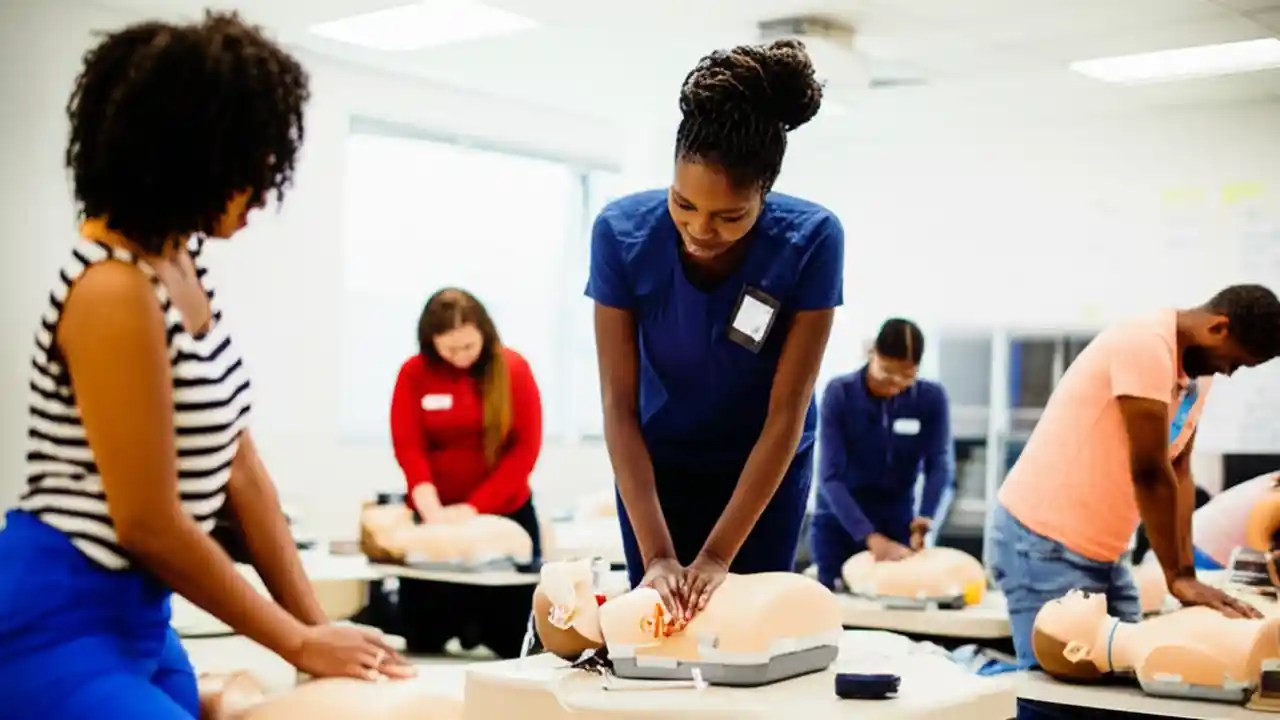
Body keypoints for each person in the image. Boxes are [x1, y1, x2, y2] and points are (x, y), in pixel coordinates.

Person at [0, 12, 411, 718]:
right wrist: (298, 645)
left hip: (144, 625)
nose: (264, 190)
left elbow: (241, 470)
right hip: (60, 621)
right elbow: (150, 525)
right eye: (252, 168)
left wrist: (317, 631)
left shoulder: (181, 265)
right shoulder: (111, 287)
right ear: (191, 157)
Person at [587, 38, 842, 626]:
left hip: (763, 473)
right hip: (657, 464)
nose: (699, 229)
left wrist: (718, 555)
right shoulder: (621, 234)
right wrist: (657, 554)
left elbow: (787, 415)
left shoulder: (812, 241)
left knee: (746, 631)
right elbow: (618, 407)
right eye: (683, 204)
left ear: (764, 194)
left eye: (730, 216)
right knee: (658, 627)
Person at [992, 285, 1280, 677]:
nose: (1230, 372)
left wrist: (1185, 576)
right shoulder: (1145, 344)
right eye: (1237, 362)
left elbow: (1178, 469)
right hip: (1043, 542)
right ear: (1218, 328)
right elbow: (1149, 471)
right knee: (1058, 690)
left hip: (1105, 552)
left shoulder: (1195, 373)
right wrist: (1178, 578)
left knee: (1130, 677)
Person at [389, 288, 543, 658]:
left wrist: (474, 509)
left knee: (511, 642)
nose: (459, 357)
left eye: (468, 347)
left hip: (503, 515)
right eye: (449, 349)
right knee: (423, 640)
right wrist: (432, 511)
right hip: (436, 518)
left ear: (485, 335)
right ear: (431, 343)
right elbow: (409, 446)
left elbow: (525, 450)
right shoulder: (415, 374)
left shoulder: (513, 369)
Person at [810, 318, 955, 589]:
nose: (895, 384)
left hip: (896, 523)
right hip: (841, 525)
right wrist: (869, 536)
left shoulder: (930, 399)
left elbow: (939, 465)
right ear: (872, 354)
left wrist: (925, 517)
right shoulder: (840, 394)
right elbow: (830, 477)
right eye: (887, 372)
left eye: (907, 376)